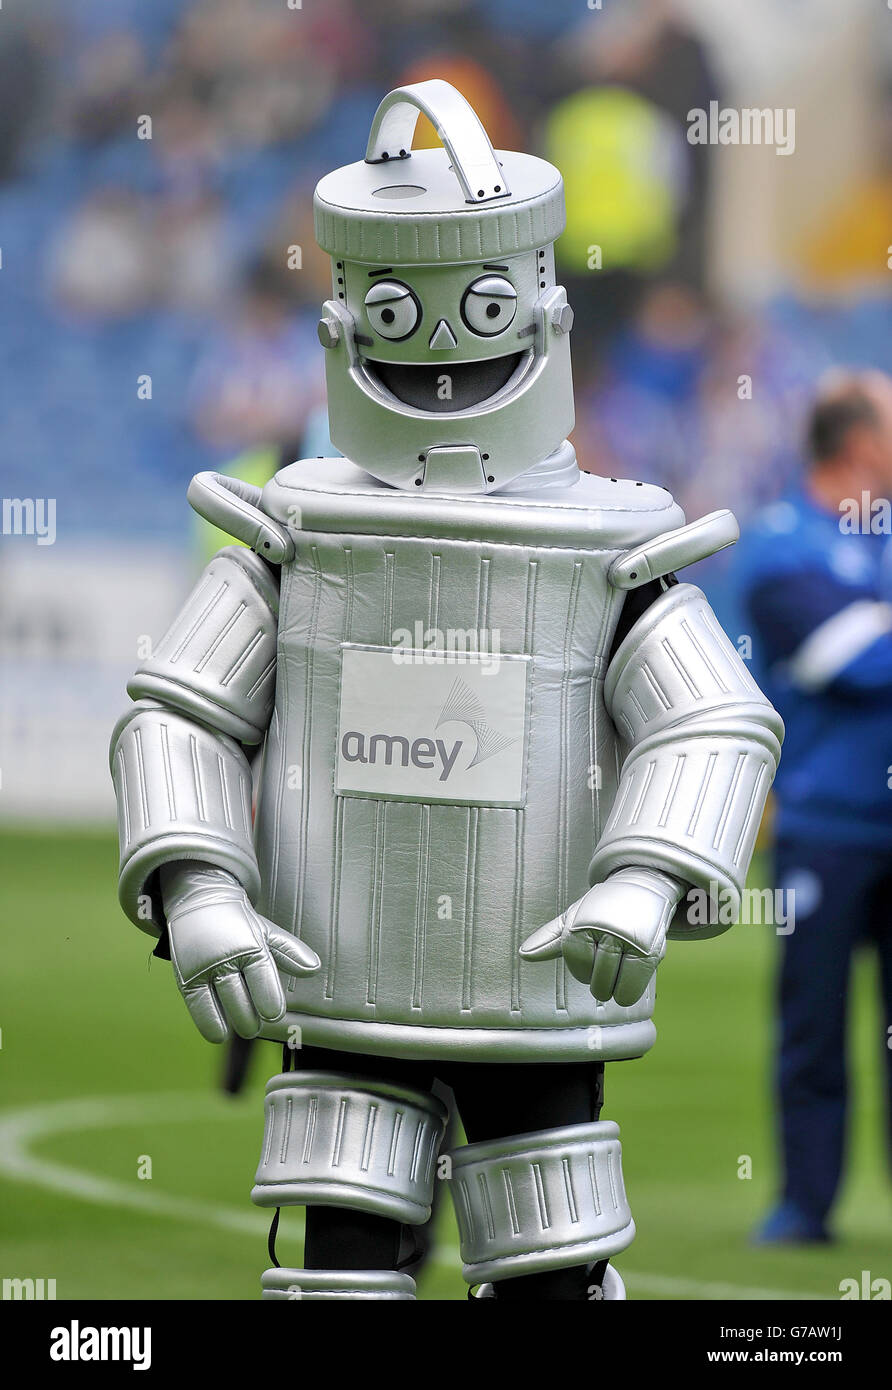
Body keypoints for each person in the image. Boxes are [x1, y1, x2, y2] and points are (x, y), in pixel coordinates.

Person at [109, 79, 781, 1300]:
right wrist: (198, 885)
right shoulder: (297, 531)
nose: (439, 347)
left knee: (552, 1269)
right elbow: (180, 711)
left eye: (474, 304)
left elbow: (709, 718)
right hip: (342, 981)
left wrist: (640, 879)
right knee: (342, 1277)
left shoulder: (604, 545)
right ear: (344, 319)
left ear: (537, 303)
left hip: (537, 980)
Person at [738, 371, 892, 1244]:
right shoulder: (781, 544)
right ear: (861, 441)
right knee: (813, 1028)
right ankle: (804, 1207)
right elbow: (843, 659)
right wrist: (869, 631)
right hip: (824, 827)